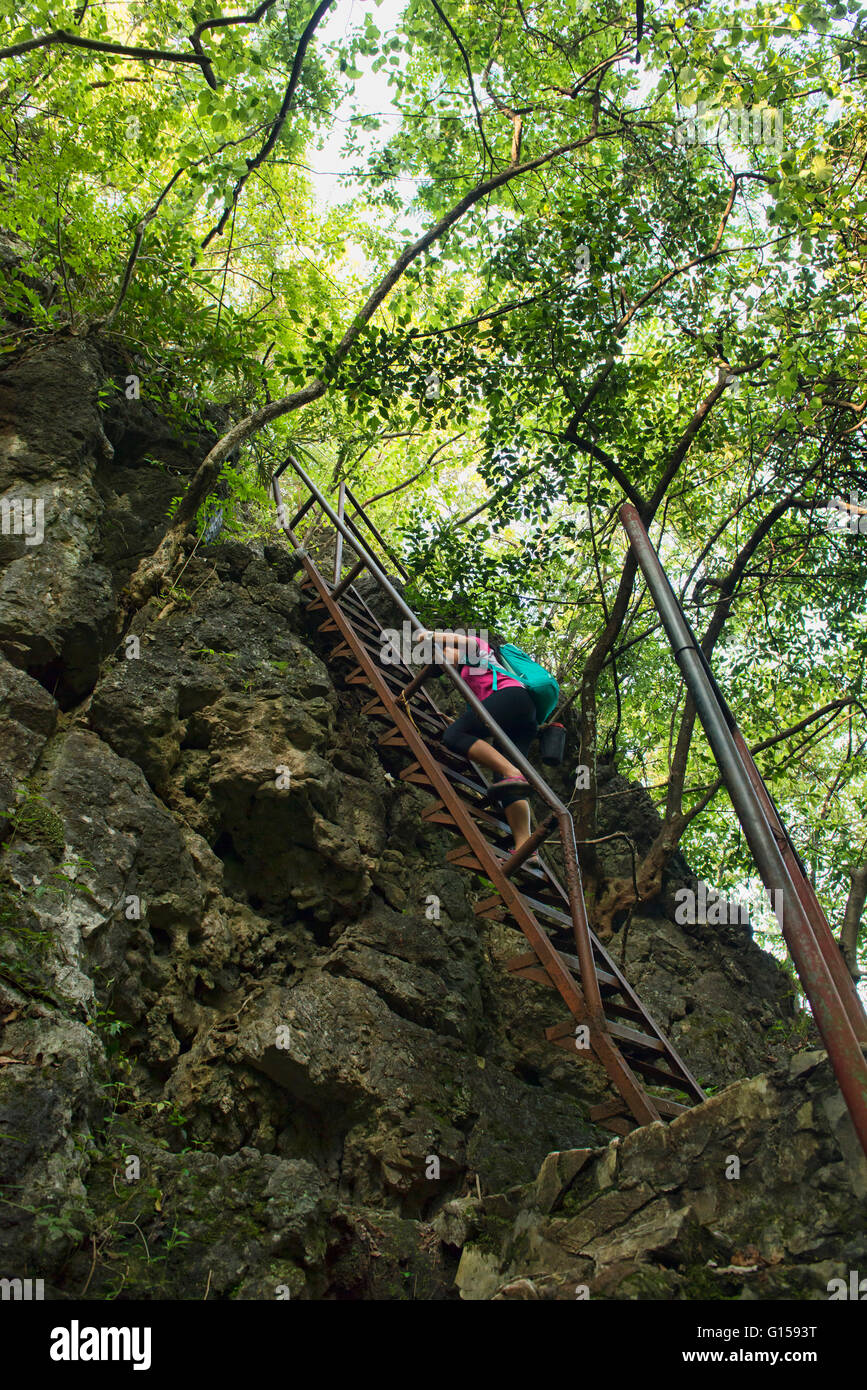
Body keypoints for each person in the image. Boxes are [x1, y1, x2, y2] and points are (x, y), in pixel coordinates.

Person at [417, 627, 538, 857]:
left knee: (453, 737)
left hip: (511, 698)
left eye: (444, 654)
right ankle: (527, 850)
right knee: (505, 781)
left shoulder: (477, 649)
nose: (443, 662)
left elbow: (464, 642)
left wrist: (429, 635)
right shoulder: (474, 672)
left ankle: (512, 771)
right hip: (522, 713)